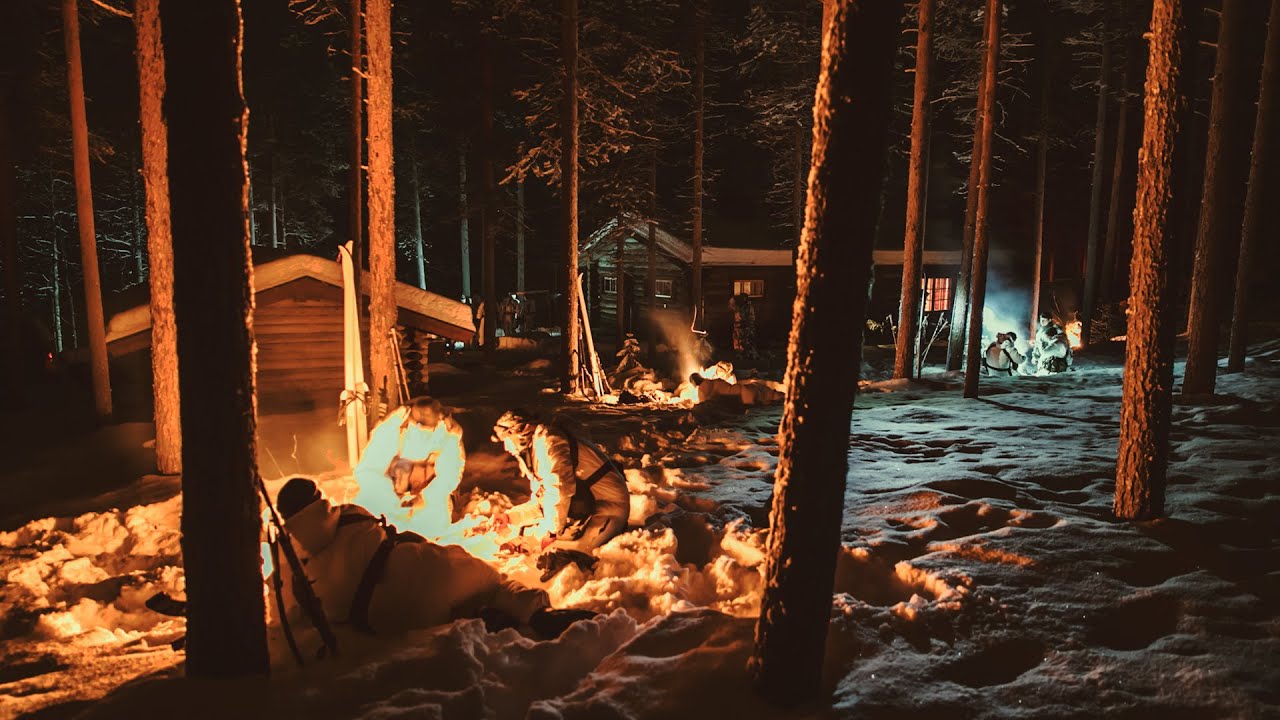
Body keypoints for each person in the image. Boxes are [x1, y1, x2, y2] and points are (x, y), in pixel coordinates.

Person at [268, 477, 586, 645]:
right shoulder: (346, 512)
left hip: (378, 618)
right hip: (419, 570)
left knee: (433, 601)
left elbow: (288, 614)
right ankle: (536, 613)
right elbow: (386, 536)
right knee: (491, 580)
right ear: (319, 497)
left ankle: (478, 616)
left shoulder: (287, 558)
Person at [490, 410, 630, 556]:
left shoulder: (549, 442)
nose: (506, 447)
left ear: (519, 433)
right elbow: (541, 504)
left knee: (578, 553)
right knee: (541, 536)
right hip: (587, 506)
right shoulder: (534, 452)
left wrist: (551, 532)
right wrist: (510, 517)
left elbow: (559, 489)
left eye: (506, 439)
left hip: (609, 506)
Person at [354, 396, 465, 538]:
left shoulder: (450, 435)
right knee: (372, 516)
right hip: (388, 491)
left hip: (427, 493)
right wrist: (392, 498)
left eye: (427, 428)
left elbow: (450, 474)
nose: (421, 431)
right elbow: (369, 469)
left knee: (432, 526)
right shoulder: (391, 427)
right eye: (418, 425)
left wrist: (426, 497)